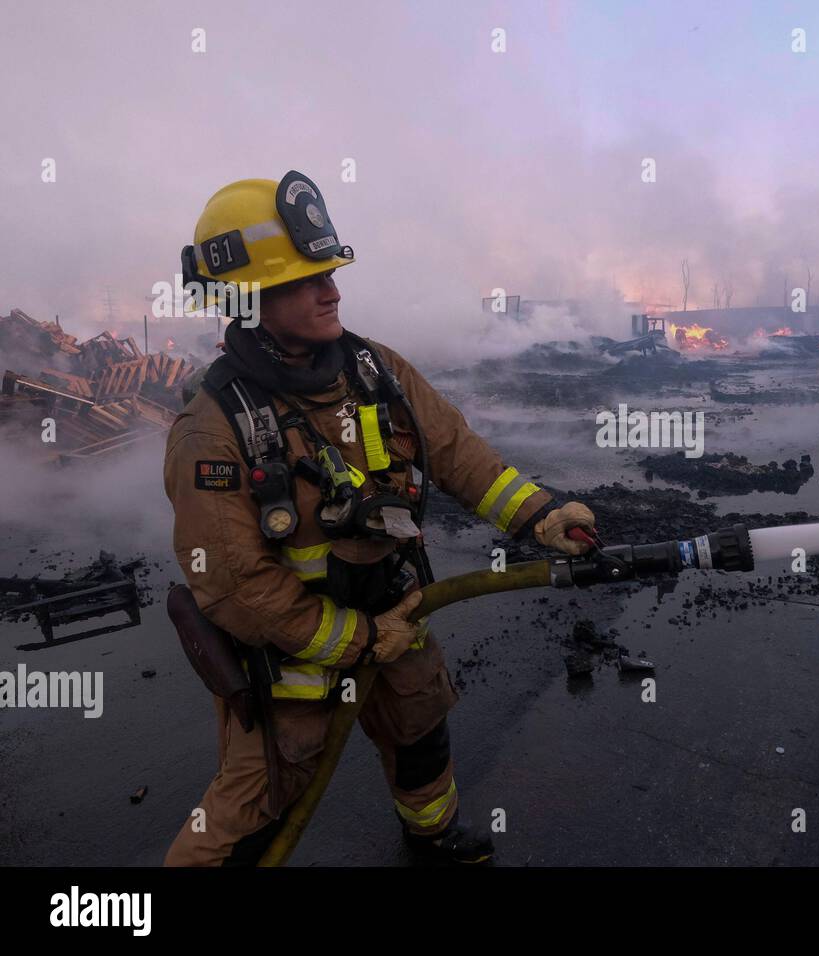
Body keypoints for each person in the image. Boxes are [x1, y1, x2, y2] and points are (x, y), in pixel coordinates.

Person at [163, 171, 596, 865]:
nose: (331, 290)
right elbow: (232, 583)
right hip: (293, 654)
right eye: (306, 280)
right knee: (253, 805)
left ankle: (430, 836)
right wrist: (358, 640)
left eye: (329, 272)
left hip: (399, 611)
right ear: (249, 298)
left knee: (420, 729)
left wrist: (539, 516)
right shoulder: (212, 430)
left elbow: (457, 453)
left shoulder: (374, 369)